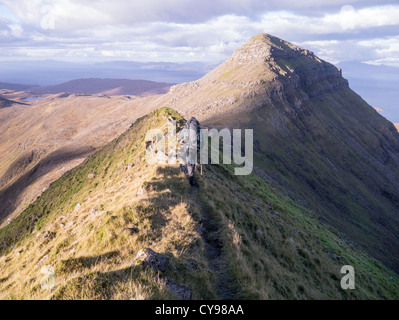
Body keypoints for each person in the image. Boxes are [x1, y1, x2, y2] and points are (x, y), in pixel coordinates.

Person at [182, 117, 202, 186]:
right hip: (196, 146)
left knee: (188, 161)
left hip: (189, 146)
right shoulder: (199, 127)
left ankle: (191, 177)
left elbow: (184, 135)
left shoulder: (187, 125)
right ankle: (192, 176)